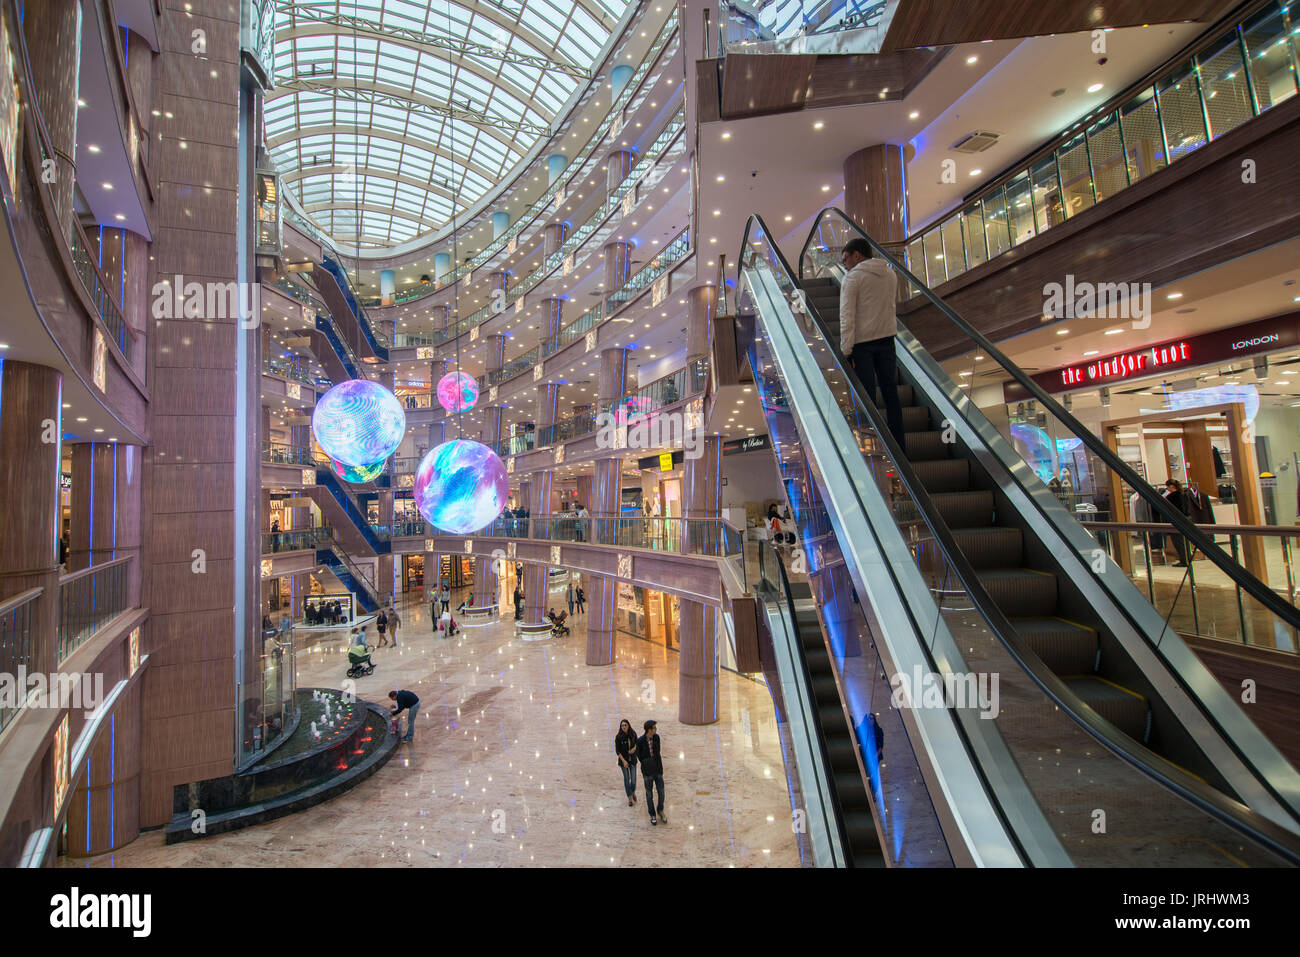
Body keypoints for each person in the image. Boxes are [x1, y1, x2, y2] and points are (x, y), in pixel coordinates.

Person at [839, 237, 903, 444]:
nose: (844, 264)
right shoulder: (889, 273)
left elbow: (847, 317)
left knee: (867, 397)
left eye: (845, 259)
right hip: (887, 340)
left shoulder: (852, 278)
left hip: (862, 345)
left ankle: (876, 444)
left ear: (857, 255)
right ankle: (898, 443)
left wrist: (846, 350)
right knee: (890, 392)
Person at [636, 719, 666, 825]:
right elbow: (639, 756)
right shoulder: (640, 741)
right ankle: (652, 814)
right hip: (647, 772)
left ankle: (660, 810)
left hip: (657, 769)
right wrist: (646, 763)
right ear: (649, 730)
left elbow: (658, 752)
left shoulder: (656, 738)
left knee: (661, 792)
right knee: (649, 794)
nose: (656, 729)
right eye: (654, 728)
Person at [1162, 479, 1190, 567]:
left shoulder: (1171, 497)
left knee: (1178, 542)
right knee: (1184, 542)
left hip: (1175, 522)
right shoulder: (1184, 494)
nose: (1167, 489)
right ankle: (1187, 558)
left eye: (1167, 487)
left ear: (1171, 486)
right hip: (1185, 521)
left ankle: (1183, 560)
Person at [615, 718, 639, 806]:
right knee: (626, 779)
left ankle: (632, 792)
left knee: (633, 780)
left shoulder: (633, 734)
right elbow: (618, 751)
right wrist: (624, 761)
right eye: (622, 725)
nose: (624, 727)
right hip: (623, 761)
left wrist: (634, 749)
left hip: (632, 760)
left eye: (625, 725)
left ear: (628, 725)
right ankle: (629, 798)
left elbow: (637, 743)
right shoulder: (618, 737)